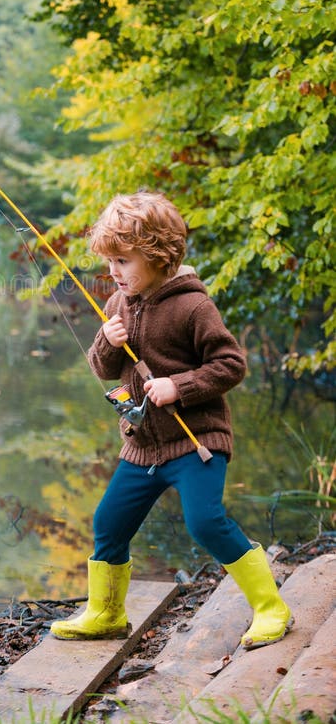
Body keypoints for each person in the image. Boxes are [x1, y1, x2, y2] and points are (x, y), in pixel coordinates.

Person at [50, 190, 293, 649]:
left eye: (123, 261)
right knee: (108, 523)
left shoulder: (193, 306)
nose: (113, 272)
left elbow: (230, 365)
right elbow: (103, 368)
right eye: (110, 262)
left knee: (204, 522)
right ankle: (106, 612)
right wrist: (105, 338)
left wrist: (178, 386)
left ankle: (270, 607)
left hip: (196, 441)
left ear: (159, 256)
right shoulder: (118, 305)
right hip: (143, 445)